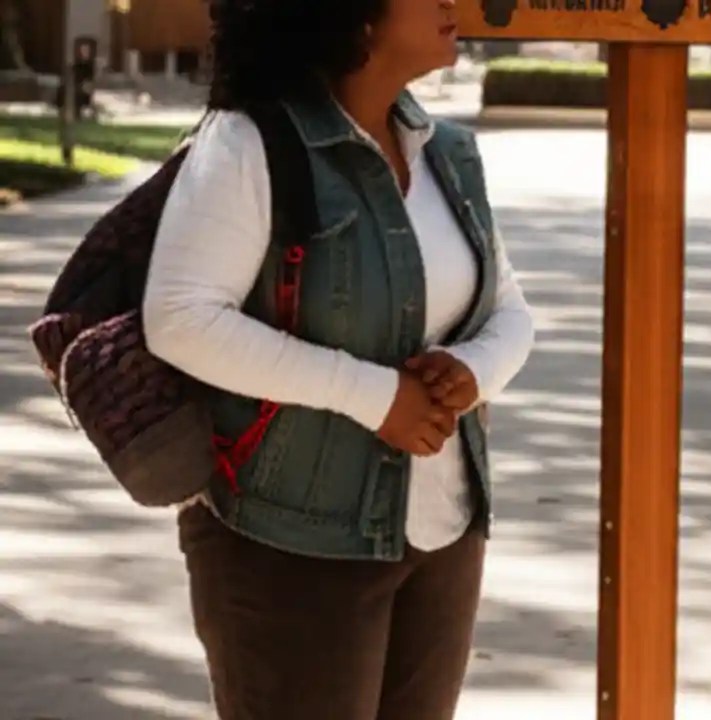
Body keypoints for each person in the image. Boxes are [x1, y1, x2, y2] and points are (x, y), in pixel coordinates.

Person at [140, 0, 535, 717]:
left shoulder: (447, 153)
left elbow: (509, 307)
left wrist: (475, 370)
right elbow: (180, 318)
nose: (455, 2)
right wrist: (373, 395)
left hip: (444, 532)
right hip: (290, 542)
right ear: (355, 17)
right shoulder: (249, 144)